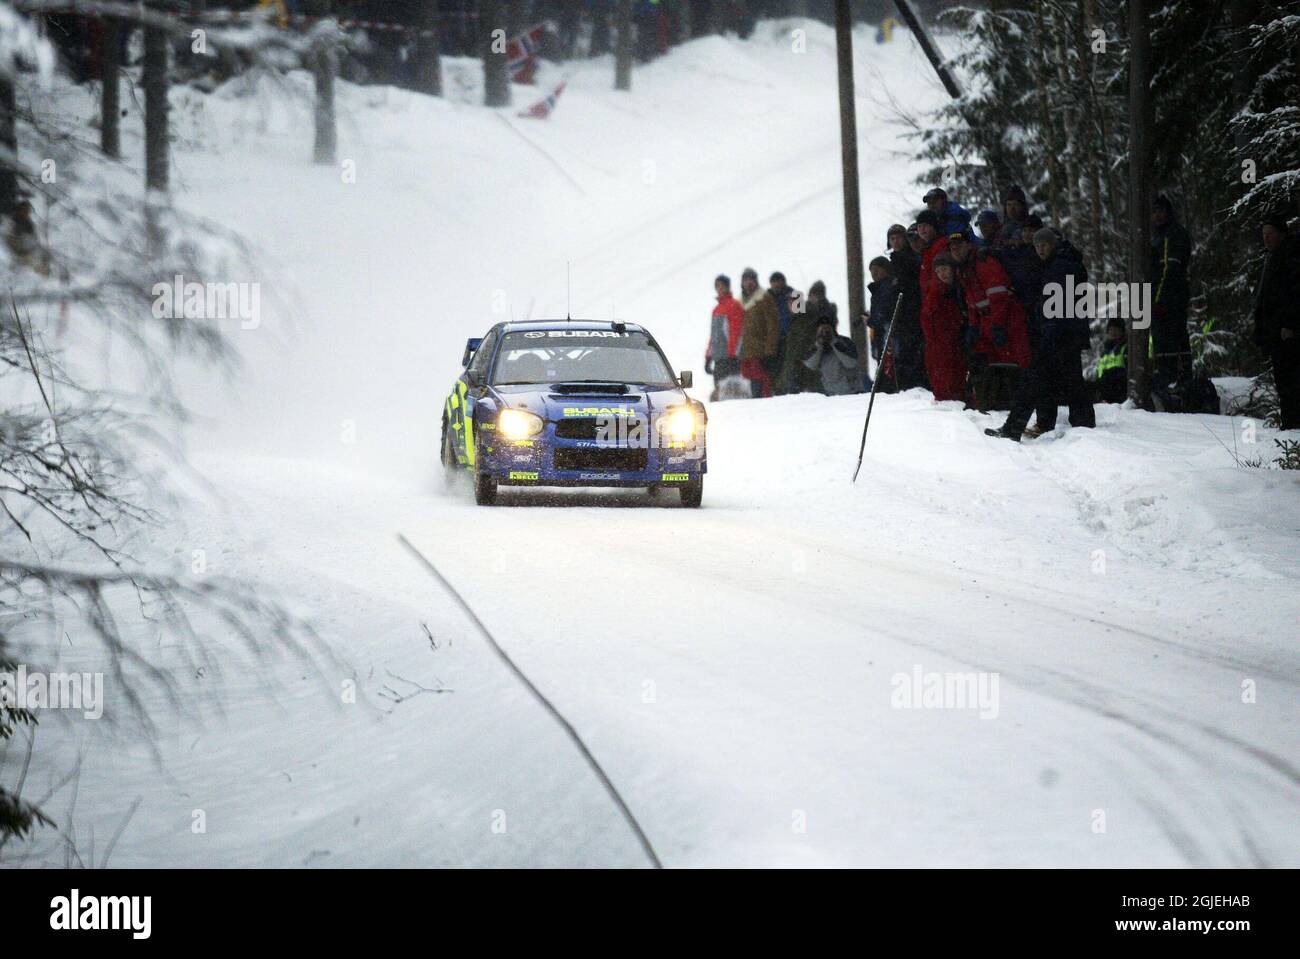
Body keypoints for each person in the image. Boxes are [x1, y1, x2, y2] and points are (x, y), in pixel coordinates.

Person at [987, 228, 1096, 440]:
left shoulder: (1061, 266)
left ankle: (1015, 428)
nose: (1040, 249)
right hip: (1065, 333)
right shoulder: (1061, 263)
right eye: (1037, 246)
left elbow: (1059, 302)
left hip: (1059, 333)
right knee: (1065, 381)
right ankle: (1080, 423)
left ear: (1053, 244)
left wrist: (1049, 328)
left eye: (1044, 245)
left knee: (1036, 379)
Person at [948, 230, 1031, 411]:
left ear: (969, 245)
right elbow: (972, 301)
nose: (956, 250)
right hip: (988, 320)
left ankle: (1021, 406)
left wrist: (998, 324)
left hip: (1008, 318)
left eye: (959, 246)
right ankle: (999, 403)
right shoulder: (965, 268)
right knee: (995, 362)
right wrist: (974, 326)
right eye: (952, 248)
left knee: (1016, 362)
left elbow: (998, 295)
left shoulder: (983, 262)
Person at [1252, 212, 1300, 430]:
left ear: (1281, 233)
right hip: (1275, 332)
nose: (1266, 238)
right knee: (1284, 383)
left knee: (1291, 382)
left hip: (1288, 333)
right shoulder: (1271, 258)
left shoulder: (1290, 255)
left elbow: (1294, 292)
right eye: (1264, 234)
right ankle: (1289, 425)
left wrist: (1290, 324)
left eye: (1270, 233)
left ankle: (1293, 427)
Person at [1150, 193, 1193, 382]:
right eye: (1154, 212)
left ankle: (1176, 379)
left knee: (1171, 338)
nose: (1157, 215)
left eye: (1161, 211)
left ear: (1168, 212)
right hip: (1162, 298)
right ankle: (1168, 377)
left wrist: (1159, 298)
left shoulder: (1172, 234)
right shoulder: (1156, 236)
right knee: (1163, 340)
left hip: (1170, 299)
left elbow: (1170, 268)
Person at [923, 252, 969, 402]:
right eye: (939, 271)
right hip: (942, 340)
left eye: (945, 269)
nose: (942, 274)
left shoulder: (958, 287)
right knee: (945, 371)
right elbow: (928, 318)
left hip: (954, 336)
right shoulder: (936, 291)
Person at [780, 279, 834, 394]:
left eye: (793, 302)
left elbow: (800, 347)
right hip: (799, 368)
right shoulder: (796, 320)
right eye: (789, 302)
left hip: (805, 368)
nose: (790, 305)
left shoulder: (804, 319)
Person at [737, 267, 780, 397]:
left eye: (752, 280)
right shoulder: (739, 302)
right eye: (746, 280)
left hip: (761, 350)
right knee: (750, 383)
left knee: (762, 385)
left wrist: (770, 349)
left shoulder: (764, 298)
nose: (749, 283)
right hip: (746, 352)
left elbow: (772, 325)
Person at [704, 273, 745, 401]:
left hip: (730, 358)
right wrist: (708, 356)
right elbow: (714, 335)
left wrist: (733, 355)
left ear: (727, 287)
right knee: (720, 389)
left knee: (731, 392)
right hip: (719, 358)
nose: (719, 289)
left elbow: (736, 332)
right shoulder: (716, 309)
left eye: (721, 286)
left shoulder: (734, 306)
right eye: (717, 286)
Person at [803, 315, 860, 396]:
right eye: (821, 330)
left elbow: (851, 363)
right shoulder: (815, 346)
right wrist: (819, 346)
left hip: (850, 392)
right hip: (828, 394)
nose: (825, 332)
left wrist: (834, 343)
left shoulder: (845, 342)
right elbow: (810, 365)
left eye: (827, 329)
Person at [867, 256, 901, 389]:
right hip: (881, 335)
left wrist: (871, 320)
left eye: (877, 270)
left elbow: (885, 312)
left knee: (889, 369)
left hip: (888, 335)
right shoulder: (878, 288)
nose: (874, 274)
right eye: (872, 271)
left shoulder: (888, 287)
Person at [768, 271, 802, 395]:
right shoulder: (767, 297)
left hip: (791, 337)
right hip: (774, 339)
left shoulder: (795, 294)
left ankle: (792, 390)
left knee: (791, 365)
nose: (776, 285)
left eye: (778, 281)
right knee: (776, 367)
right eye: (774, 282)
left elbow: (802, 317)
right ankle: (778, 391)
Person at [1096, 318, 1128, 404]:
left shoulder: (1126, 347)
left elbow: (1129, 372)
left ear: (1122, 331)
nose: (1113, 332)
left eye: (1116, 330)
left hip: (1119, 388)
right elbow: (1099, 372)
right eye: (1111, 330)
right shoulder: (1106, 350)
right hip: (1105, 387)